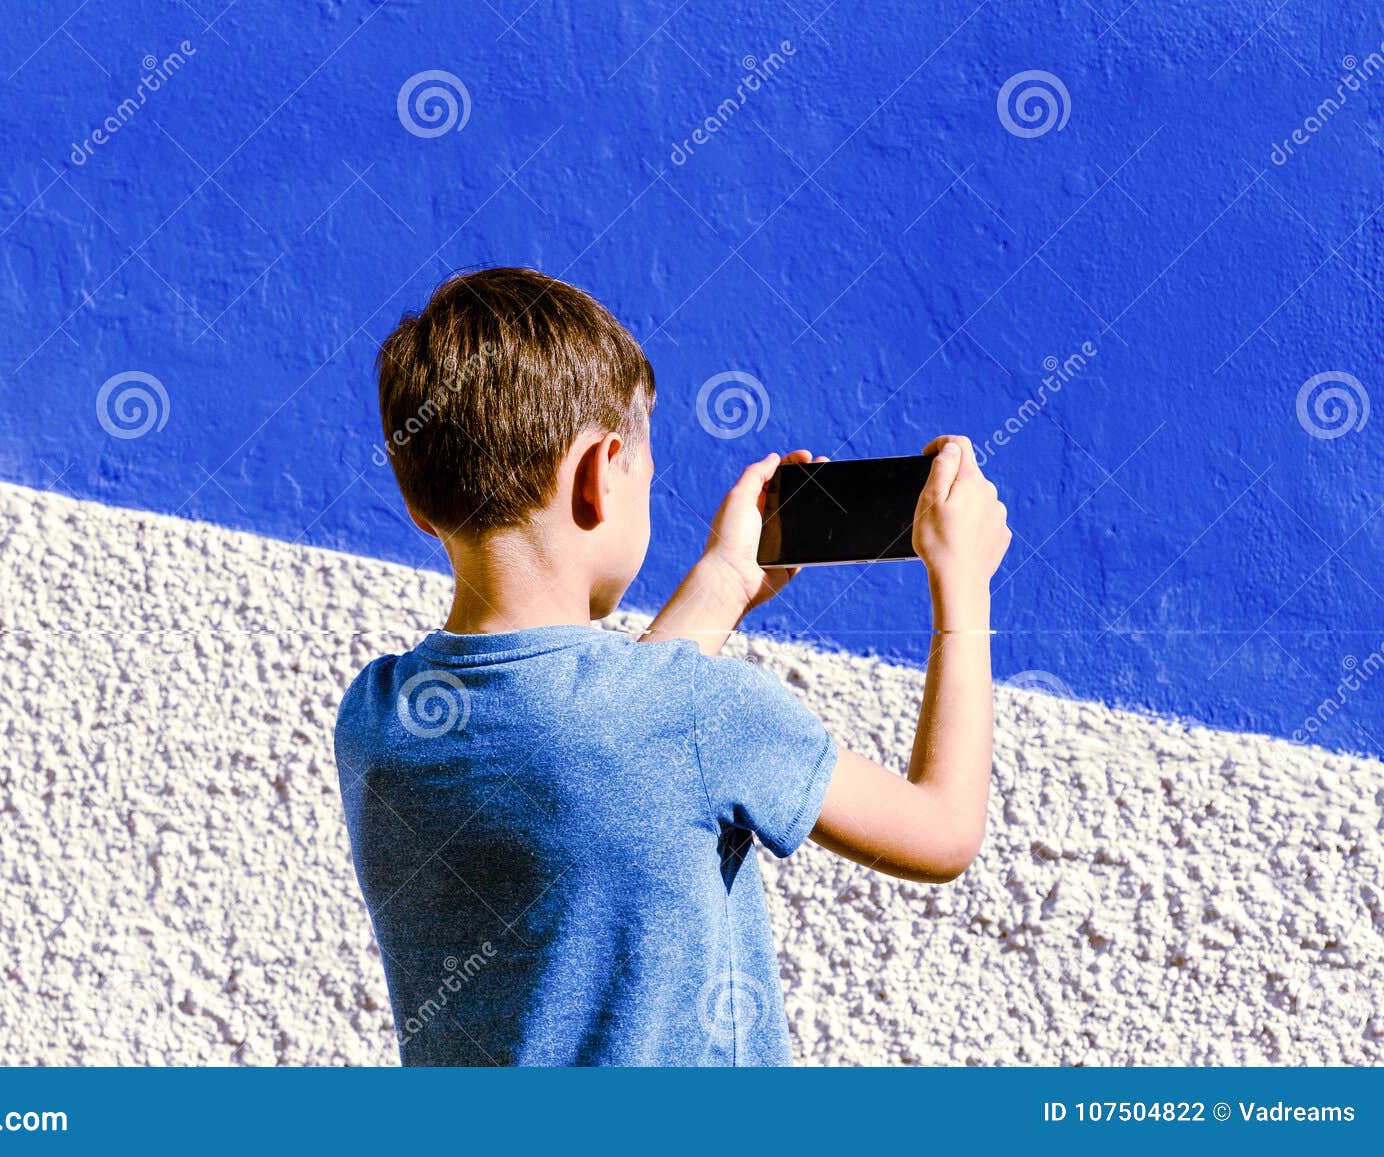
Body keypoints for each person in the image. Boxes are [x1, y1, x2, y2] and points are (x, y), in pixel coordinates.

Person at [335, 267, 1011, 1065]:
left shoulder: (378, 717)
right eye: (645, 474)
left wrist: (724, 582)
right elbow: (942, 831)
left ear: (420, 509)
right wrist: (963, 587)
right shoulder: (697, 713)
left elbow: (603, 740)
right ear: (599, 473)